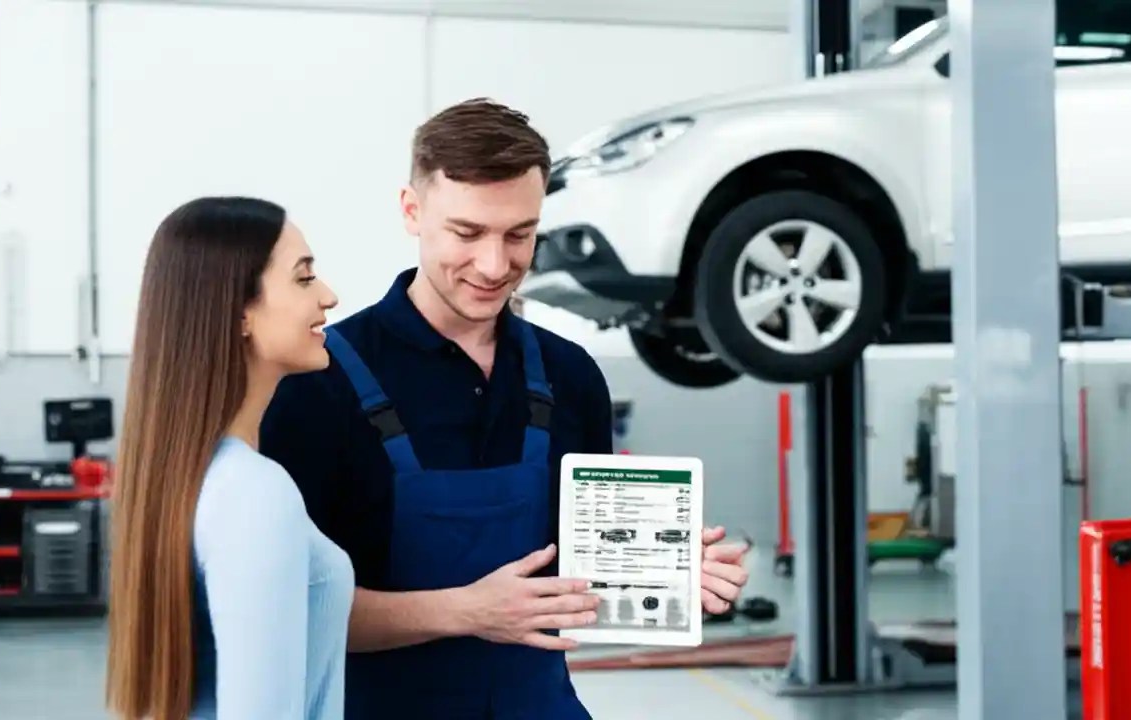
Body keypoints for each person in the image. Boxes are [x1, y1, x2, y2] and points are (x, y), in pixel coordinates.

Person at [259, 99, 750, 719]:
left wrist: (665, 570)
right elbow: (289, 613)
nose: (495, 266)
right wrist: (468, 610)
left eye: (519, 234)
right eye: (467, 234)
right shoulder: (319, 380)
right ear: (412, 211)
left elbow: (576, 572)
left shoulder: (571, 376)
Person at [105, 197, 353, 720]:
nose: (328, 296)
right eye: (304, 279)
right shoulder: (255, 493)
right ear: (240, 311)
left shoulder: (186, 475)